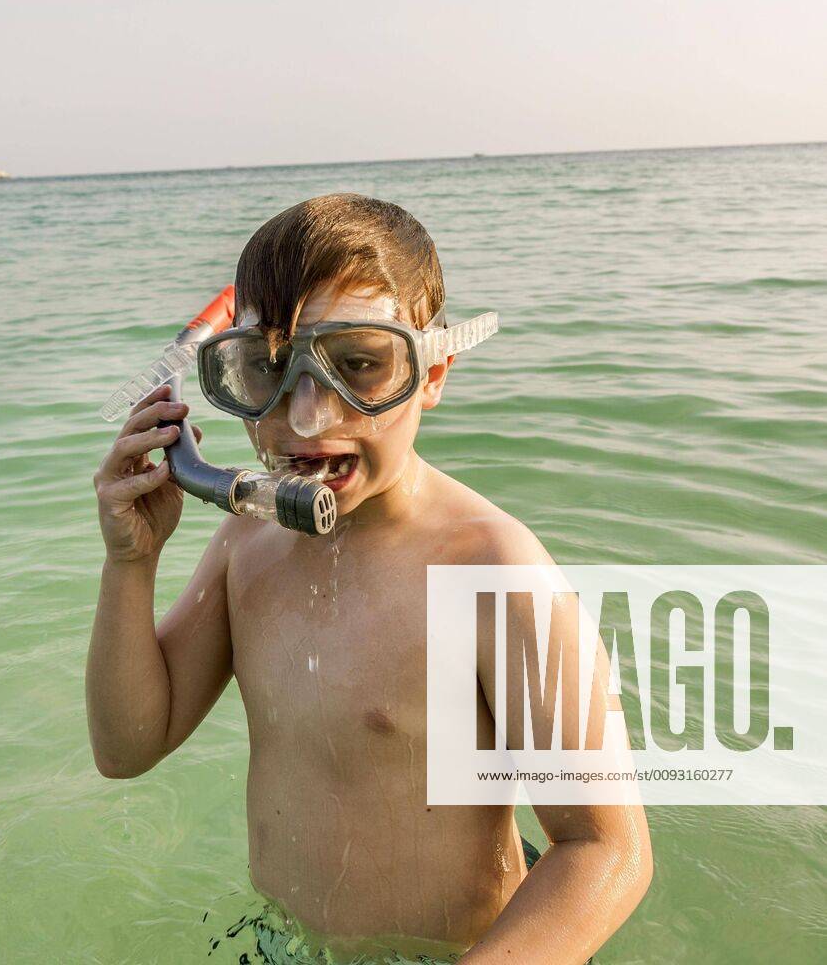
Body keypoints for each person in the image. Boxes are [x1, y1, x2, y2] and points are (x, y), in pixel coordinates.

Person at [86, 194, 652, 963]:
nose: (310, 417)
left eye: (359, 365)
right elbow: (127, 746)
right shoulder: (247, 543)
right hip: (285, 945)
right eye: (267, 372)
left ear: (432, 374)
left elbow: (605, 851)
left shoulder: (492, 568)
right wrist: (130, 562)